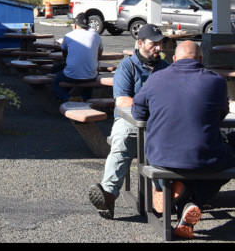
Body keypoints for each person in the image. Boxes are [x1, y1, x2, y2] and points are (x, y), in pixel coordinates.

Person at [132, 39, 235, 239]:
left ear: (174, 59)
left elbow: (138, 111)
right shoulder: (216, 81)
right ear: (202, 59)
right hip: (203, 155)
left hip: (160, 155)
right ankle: (191, 198)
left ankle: (175, 194)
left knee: (175, 157)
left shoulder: (156, 78)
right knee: (228, 160)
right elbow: (221, 113)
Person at [88, 23, 168, 219]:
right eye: (154, 44)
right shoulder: (127, 66)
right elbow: (123, 101)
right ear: (139, 43)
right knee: (122, 140)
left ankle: (162, 195)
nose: (159, 48)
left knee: (165, 143)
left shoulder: (166, 68)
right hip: (129, 120)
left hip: (159, 122)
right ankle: (108, 195)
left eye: (161, 44)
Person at [52, 12, 102, 103]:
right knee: (88, 78)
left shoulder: (68, 36)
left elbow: (64, 54)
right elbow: (99, 55)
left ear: (75, 25)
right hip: (91, 75)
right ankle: (84, 99)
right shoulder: (96, 36)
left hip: (71, 75)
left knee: (55, 81)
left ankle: (67, 98)